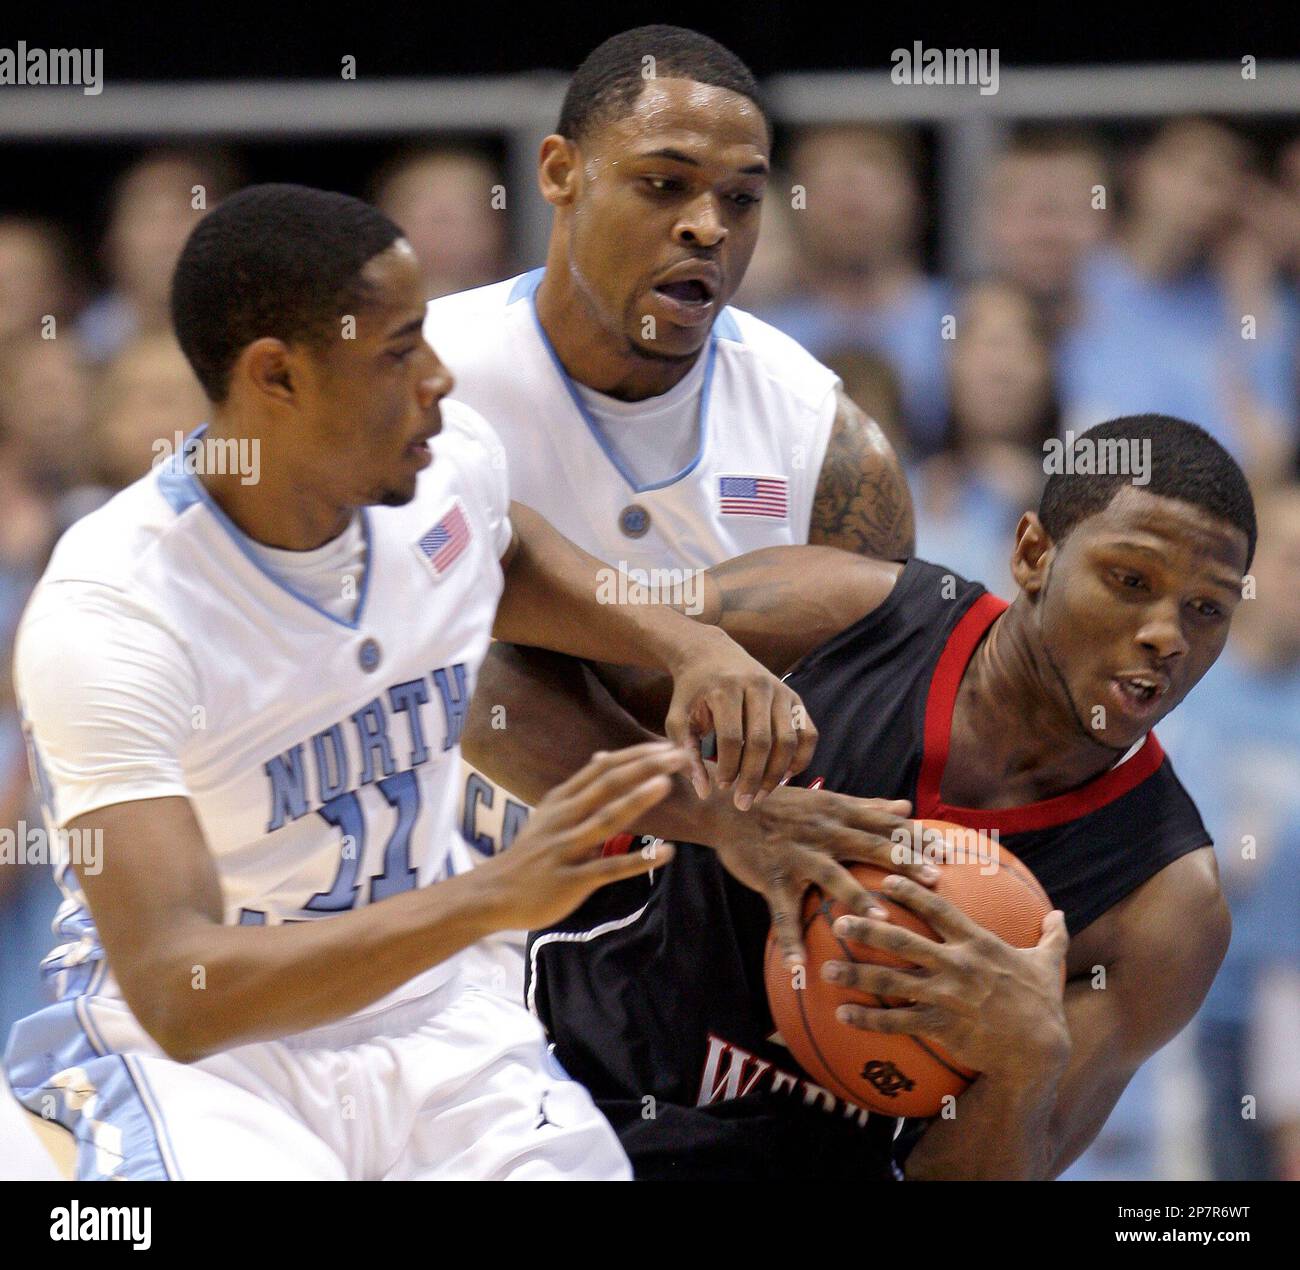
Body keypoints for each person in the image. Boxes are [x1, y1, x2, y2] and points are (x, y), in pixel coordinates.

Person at [2, 183, 811, 1181]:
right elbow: (180, 985)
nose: (438, 377)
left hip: (438, 1025)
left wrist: (690, 644)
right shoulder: (116, 608)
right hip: (205, 1057)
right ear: (275, 378)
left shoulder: (438, 467)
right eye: (397, 352)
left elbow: (503, 549)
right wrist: (490, 898)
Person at [467, 414, 1251, 1180]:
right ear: (1033, 553)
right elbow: (485, 676)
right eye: (1130, 580)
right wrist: (711, 806)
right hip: (559, 1090)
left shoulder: (1166, 906)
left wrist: (1024, 1066)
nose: (1166, 634)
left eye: (1206, 609)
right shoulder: (847, 613)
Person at [421, 25, 915, 992]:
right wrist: (689, 659)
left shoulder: (831, 446)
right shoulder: (422, 379)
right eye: (664, 185)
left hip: (680, 970)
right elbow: (462, 669)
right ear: (560, 173)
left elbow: (865, 729)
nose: (707, 226)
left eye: (740, 199)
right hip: (421, 932)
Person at [758, 122, 952, 453]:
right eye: (827, 183)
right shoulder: (764, 334)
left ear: (914, 197)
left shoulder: (960, 319)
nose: (848, 196)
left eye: (870, 175)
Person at [912, 277, 1059, 600]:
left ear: (1048, 366)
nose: (1001, 370)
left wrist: (1040, 496)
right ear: (949, 361)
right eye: (985, 344)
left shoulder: (1088, 489)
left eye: (1020, 346)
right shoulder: (906, 487)